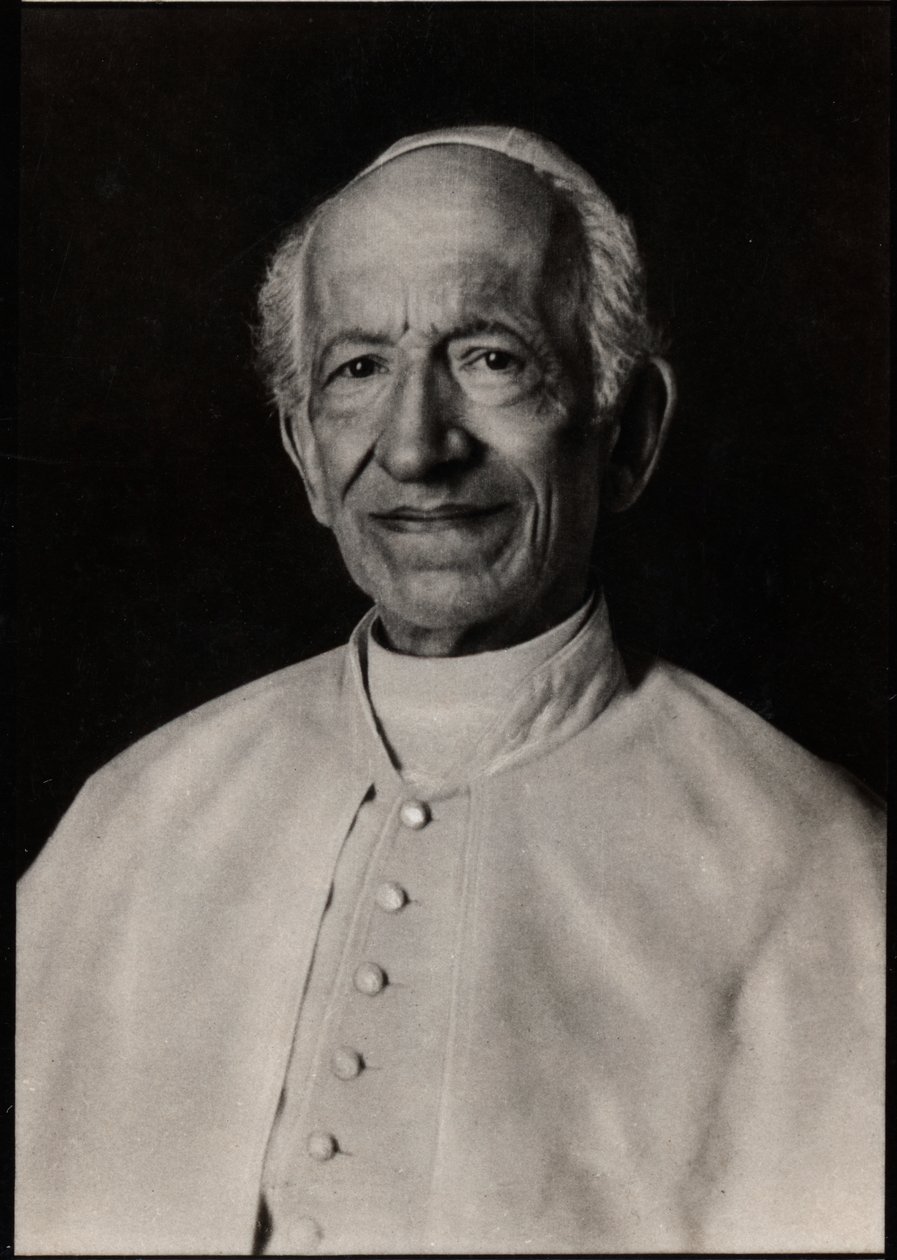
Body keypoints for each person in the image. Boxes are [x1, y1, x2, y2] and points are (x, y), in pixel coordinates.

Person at [16, 126, 884, 1256]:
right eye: (359, 370)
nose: (417, 448)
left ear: (627, 436)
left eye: (491, 356)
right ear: (304, 453)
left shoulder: (815, 870)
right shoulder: (131, 817)